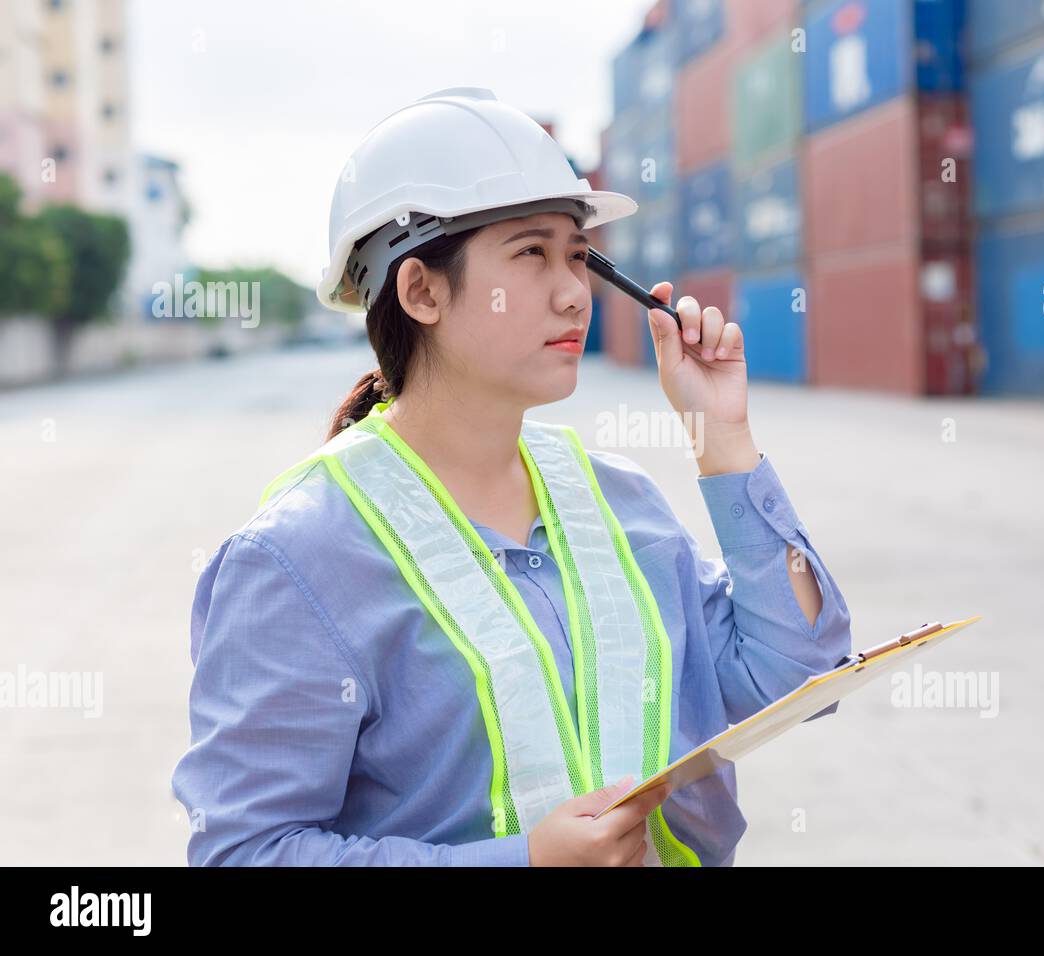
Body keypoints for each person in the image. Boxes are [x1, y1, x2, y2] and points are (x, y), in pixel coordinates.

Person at [171, 88, 853, 866]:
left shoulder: (617, 500)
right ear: (422, 290)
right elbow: (245, 852)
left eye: (578, 255)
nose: (573, 291)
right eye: (531, 254)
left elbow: (802, 676)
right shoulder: (299, 558)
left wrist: (722, 434)